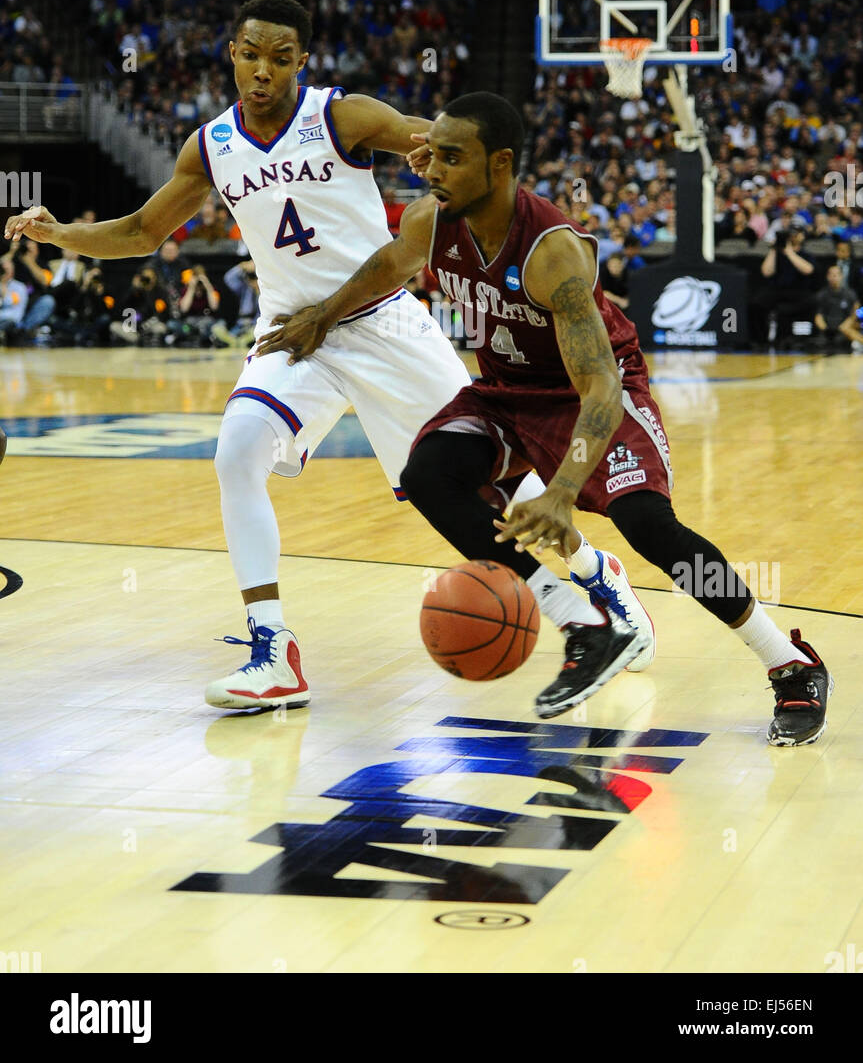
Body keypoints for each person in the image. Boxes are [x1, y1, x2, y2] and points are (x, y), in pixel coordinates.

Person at [5, 0, 529, 711]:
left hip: (382, 320)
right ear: (231, 53)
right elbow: (140, 233)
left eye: (280, 59)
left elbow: (440, 147)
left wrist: (445, 163)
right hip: (291, 332)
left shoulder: (341, 116)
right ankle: (272, 647)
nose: (262, 71)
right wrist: (59, 233)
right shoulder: (211, 145)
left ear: (301, 62)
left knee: (493, 476)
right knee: (236, 453)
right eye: (250, 54)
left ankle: (596, 592)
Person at [275, 92, 832, 747]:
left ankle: (788, 663)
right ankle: (583, 623)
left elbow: (596, 384)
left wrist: (562, 493)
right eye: (433, 155)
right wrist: (324, 312)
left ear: (500, 165)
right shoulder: (431, 219)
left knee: (645, 523)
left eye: (451, 158)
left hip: (593, 390)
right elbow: (389, 264)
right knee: (429, 474)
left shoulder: (550, 250)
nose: (431, 169)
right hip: (507, 393)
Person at [813, 264, 862, 354]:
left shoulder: (850, 294)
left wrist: (844, 326)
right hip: (828, 331)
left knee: (848, 330)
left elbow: (854, 314)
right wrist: (826, 330)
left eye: (836, 274)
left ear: (841, 276)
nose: (834, 277)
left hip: (844, 328)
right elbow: (818, 316)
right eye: (831, 274)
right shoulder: (822, 294)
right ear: (827, 276)